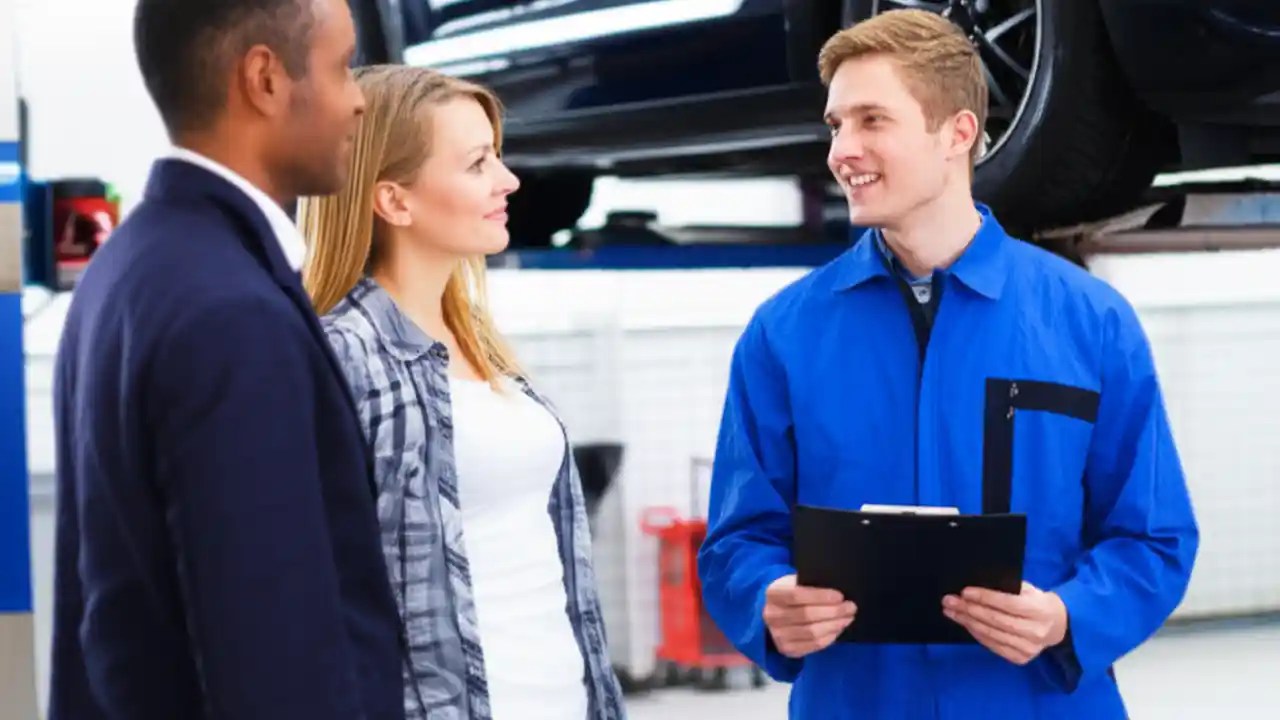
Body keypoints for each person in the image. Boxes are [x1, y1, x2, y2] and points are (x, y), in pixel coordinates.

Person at [697, 9, 1199, 718]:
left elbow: (1154, 536)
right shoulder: (784, 333)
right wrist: (766, 599)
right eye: (836, 124)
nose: (843, 150)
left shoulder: (1089, 322)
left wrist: (1067, 616)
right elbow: (737, 541)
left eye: (872, 120)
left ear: (957, 134)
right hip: (858, 702)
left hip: (1036, 702)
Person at [48, 1, 406, 718]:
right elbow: (272, 652)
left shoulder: (127, 269)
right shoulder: (232, 313)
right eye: (341, 68)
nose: (361, 99)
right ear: (265, 79)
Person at [298, 65, 626, 720]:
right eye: (478, 164)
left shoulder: (480, 339)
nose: (508, 181)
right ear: (394, 200)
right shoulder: (342, 358)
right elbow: (310, 595)